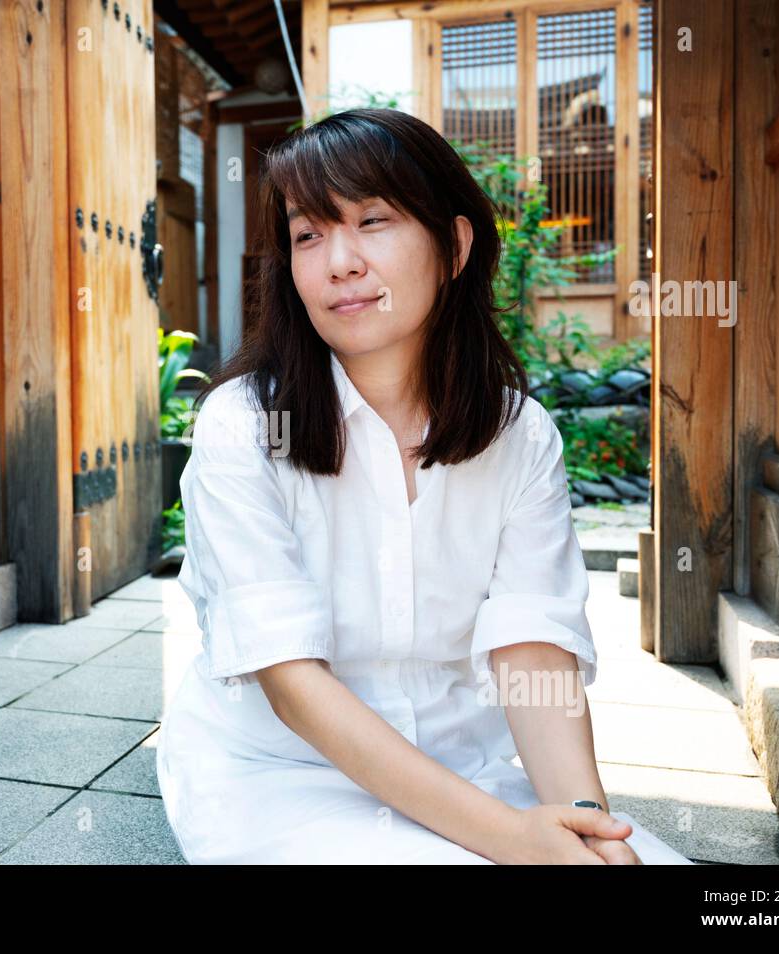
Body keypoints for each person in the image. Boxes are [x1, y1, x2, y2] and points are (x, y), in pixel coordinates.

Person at [155, 107, 693, 865]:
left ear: (454, 245)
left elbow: (532, 647)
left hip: (462, 777)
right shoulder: (242, 425)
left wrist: (581, 825)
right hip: (282, 776)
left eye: (373, 220)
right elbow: (291, 685)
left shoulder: (520, 434)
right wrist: (512, 841)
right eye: (308, 233)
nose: (338, 260)